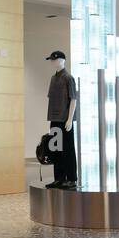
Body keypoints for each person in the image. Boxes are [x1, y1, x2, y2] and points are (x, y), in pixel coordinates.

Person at [45, 50, 78, 189]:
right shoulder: (53, 78)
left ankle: (71, 179)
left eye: (55, 59)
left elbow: (73, 99)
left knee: (68, 149)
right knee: (56, 149)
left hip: (65, 120)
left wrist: (70, 119)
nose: (53, 62)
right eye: (51, 60)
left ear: (62, 60)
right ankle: (59, 178)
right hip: (54, 118)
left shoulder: (68, 78)